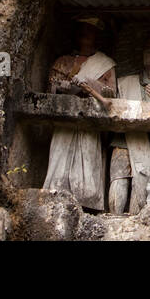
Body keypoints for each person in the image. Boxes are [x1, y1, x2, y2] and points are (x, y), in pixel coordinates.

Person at [43, 17, 116, 211]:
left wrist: (91, 84)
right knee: (60, 155)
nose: (85, 34)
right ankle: (55, 193)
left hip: (90, 121)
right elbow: (51, 86)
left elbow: (111, 93)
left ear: (97, 37)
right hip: (66, 119)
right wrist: (63, 86)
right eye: (82, 30)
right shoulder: (63, 61)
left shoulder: (105, 64)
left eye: (90, 31)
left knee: (88, 157)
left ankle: (88, 201)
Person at [110, 45, 150, 214]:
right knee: (119, 177)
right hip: (124, 139)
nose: (149, 53)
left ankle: (135, 218)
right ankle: (114, 216)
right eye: (146, 49)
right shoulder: (126, 82)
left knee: (142, 180)